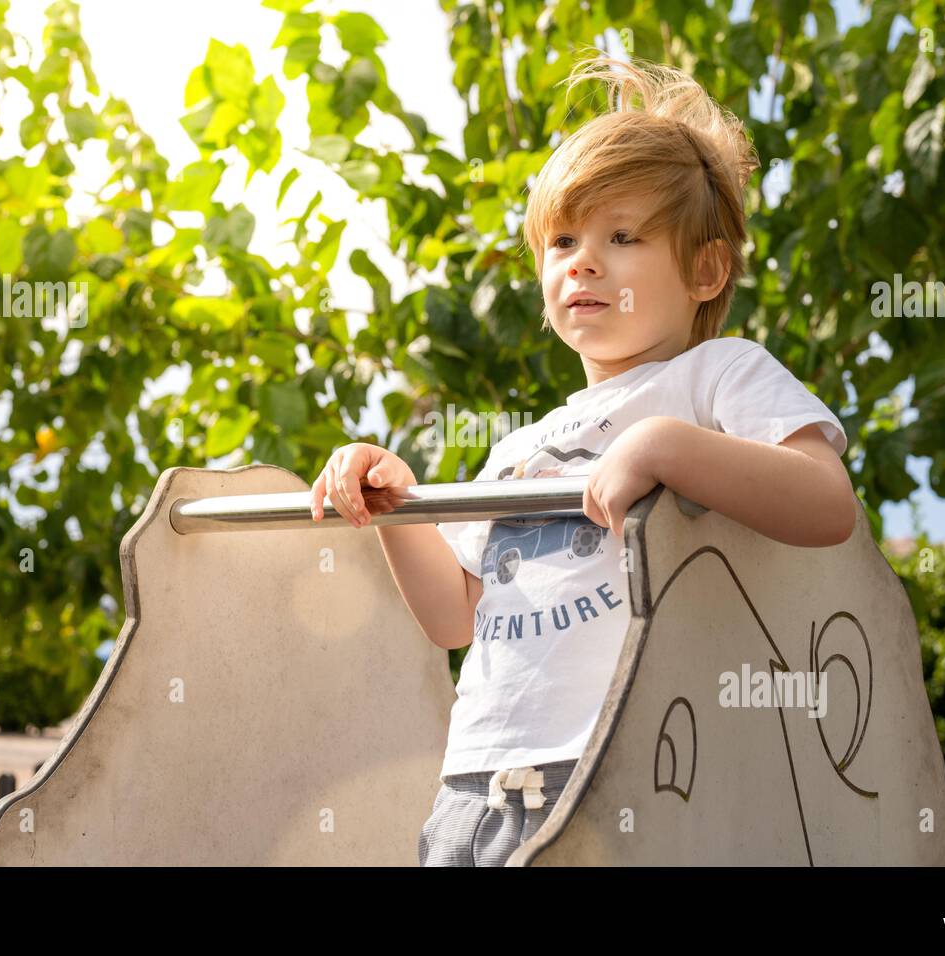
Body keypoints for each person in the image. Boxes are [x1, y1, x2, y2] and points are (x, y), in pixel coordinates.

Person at [309, 50, 855, 866]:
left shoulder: (713, 376)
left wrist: (665, 444)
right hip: (478, 781)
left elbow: (826, 504)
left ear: (704, 270)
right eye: (562, 239)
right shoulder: (520, 449)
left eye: (623, 236)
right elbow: (454, 615)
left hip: (627, 767)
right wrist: (398, 503)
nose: (583, 261)